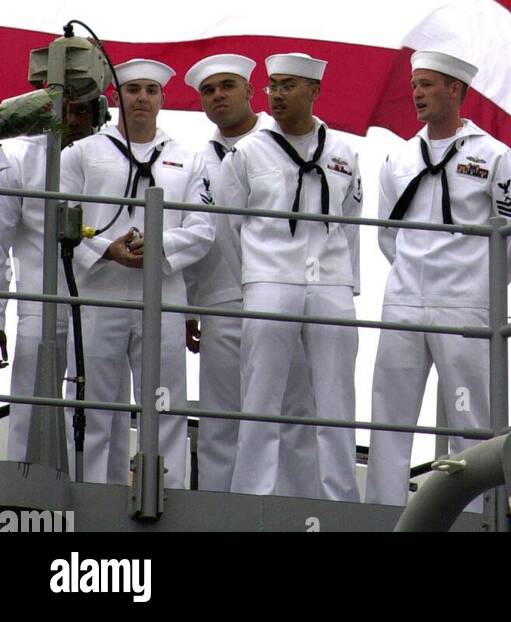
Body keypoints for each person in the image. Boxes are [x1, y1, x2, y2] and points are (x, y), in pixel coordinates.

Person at [365, 50, 511, 507]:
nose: (417, 93)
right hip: (403, 303)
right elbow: (386, 234)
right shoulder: (398, 157)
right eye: (415, 84)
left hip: (464, 306)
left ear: (455, 90)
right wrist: (412, 276)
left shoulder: (493, 154)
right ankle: (384, 511)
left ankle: (478, 514)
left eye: (428, 84)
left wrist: (482, 288)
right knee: (389, 416)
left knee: (470, 416)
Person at [60, 59, 213, 486]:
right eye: (133, 90)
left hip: (160, 297)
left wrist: (158, 246)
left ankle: (167, 496)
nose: (142, 97)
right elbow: (61, 215)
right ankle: (92, 498)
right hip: (99, 296)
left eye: (150, 90)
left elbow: (203, 228)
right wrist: (106, 248)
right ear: (116, 97)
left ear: (162, 99)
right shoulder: (82, 154)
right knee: (94, 406)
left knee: (165, 404)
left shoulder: (188, 159)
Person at [221, 53, 362, 501]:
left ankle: (339, 498)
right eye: (272, 86)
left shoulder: (342, 152)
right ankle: (253, 496)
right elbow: (229, 224)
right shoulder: (248, 151)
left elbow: (351, 220)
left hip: (330, 282)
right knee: (262, 394)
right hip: (270, 278)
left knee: (335, 397)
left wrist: (347, 283)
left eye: (288, 86)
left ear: (314, 91)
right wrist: (253, 277)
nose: (277, 95)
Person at [0, 94, 105, 462]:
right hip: (39, 309)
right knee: (28, 412)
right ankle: (22, 501)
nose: (72, 120)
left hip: (102, 307)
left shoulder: (113, 157)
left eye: (81, 111)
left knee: (99, 415)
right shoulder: (18, 158)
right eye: (64, 109)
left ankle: (94, 504)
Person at [183, 53, 270, 492]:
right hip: (219, 298)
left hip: (281, 298)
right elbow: (191, 235)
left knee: (282, 414)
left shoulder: (286, 144)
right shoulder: (193, 161)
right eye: (208, 90)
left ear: (250, 92)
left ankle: (282, 510)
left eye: (227, 86)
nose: (218, 96)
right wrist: (187, 304)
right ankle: (219, 510)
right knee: (219, 419)